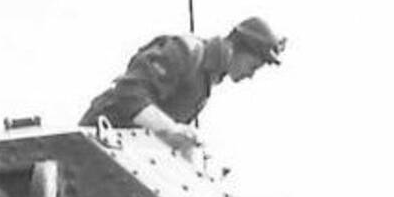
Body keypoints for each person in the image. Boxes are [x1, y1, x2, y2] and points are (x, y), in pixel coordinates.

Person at [79, 16, 286, 154]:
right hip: (96, 146)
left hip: (128, 153)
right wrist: (172, 130)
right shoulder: (188, 52)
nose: (250, 75)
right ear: (237, 49)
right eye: (254, 66)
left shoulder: (206, 79)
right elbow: (130, 95)